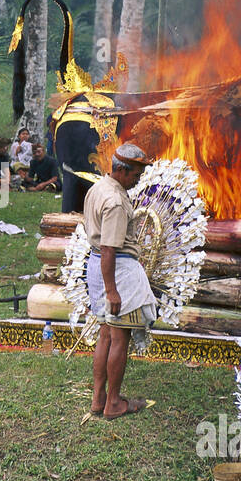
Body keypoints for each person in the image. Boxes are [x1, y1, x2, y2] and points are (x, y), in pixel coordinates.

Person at [84, 143, 156, 420]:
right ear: (122, 170)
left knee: (105, 335)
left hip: (98, 266)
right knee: (118, 339)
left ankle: (98, 398)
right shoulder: (114, 201)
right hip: (115, 271)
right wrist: (113, 291)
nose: (138, 179)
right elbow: (109, 249)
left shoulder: (99, 188)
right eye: (136, 174)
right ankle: (113, 403)